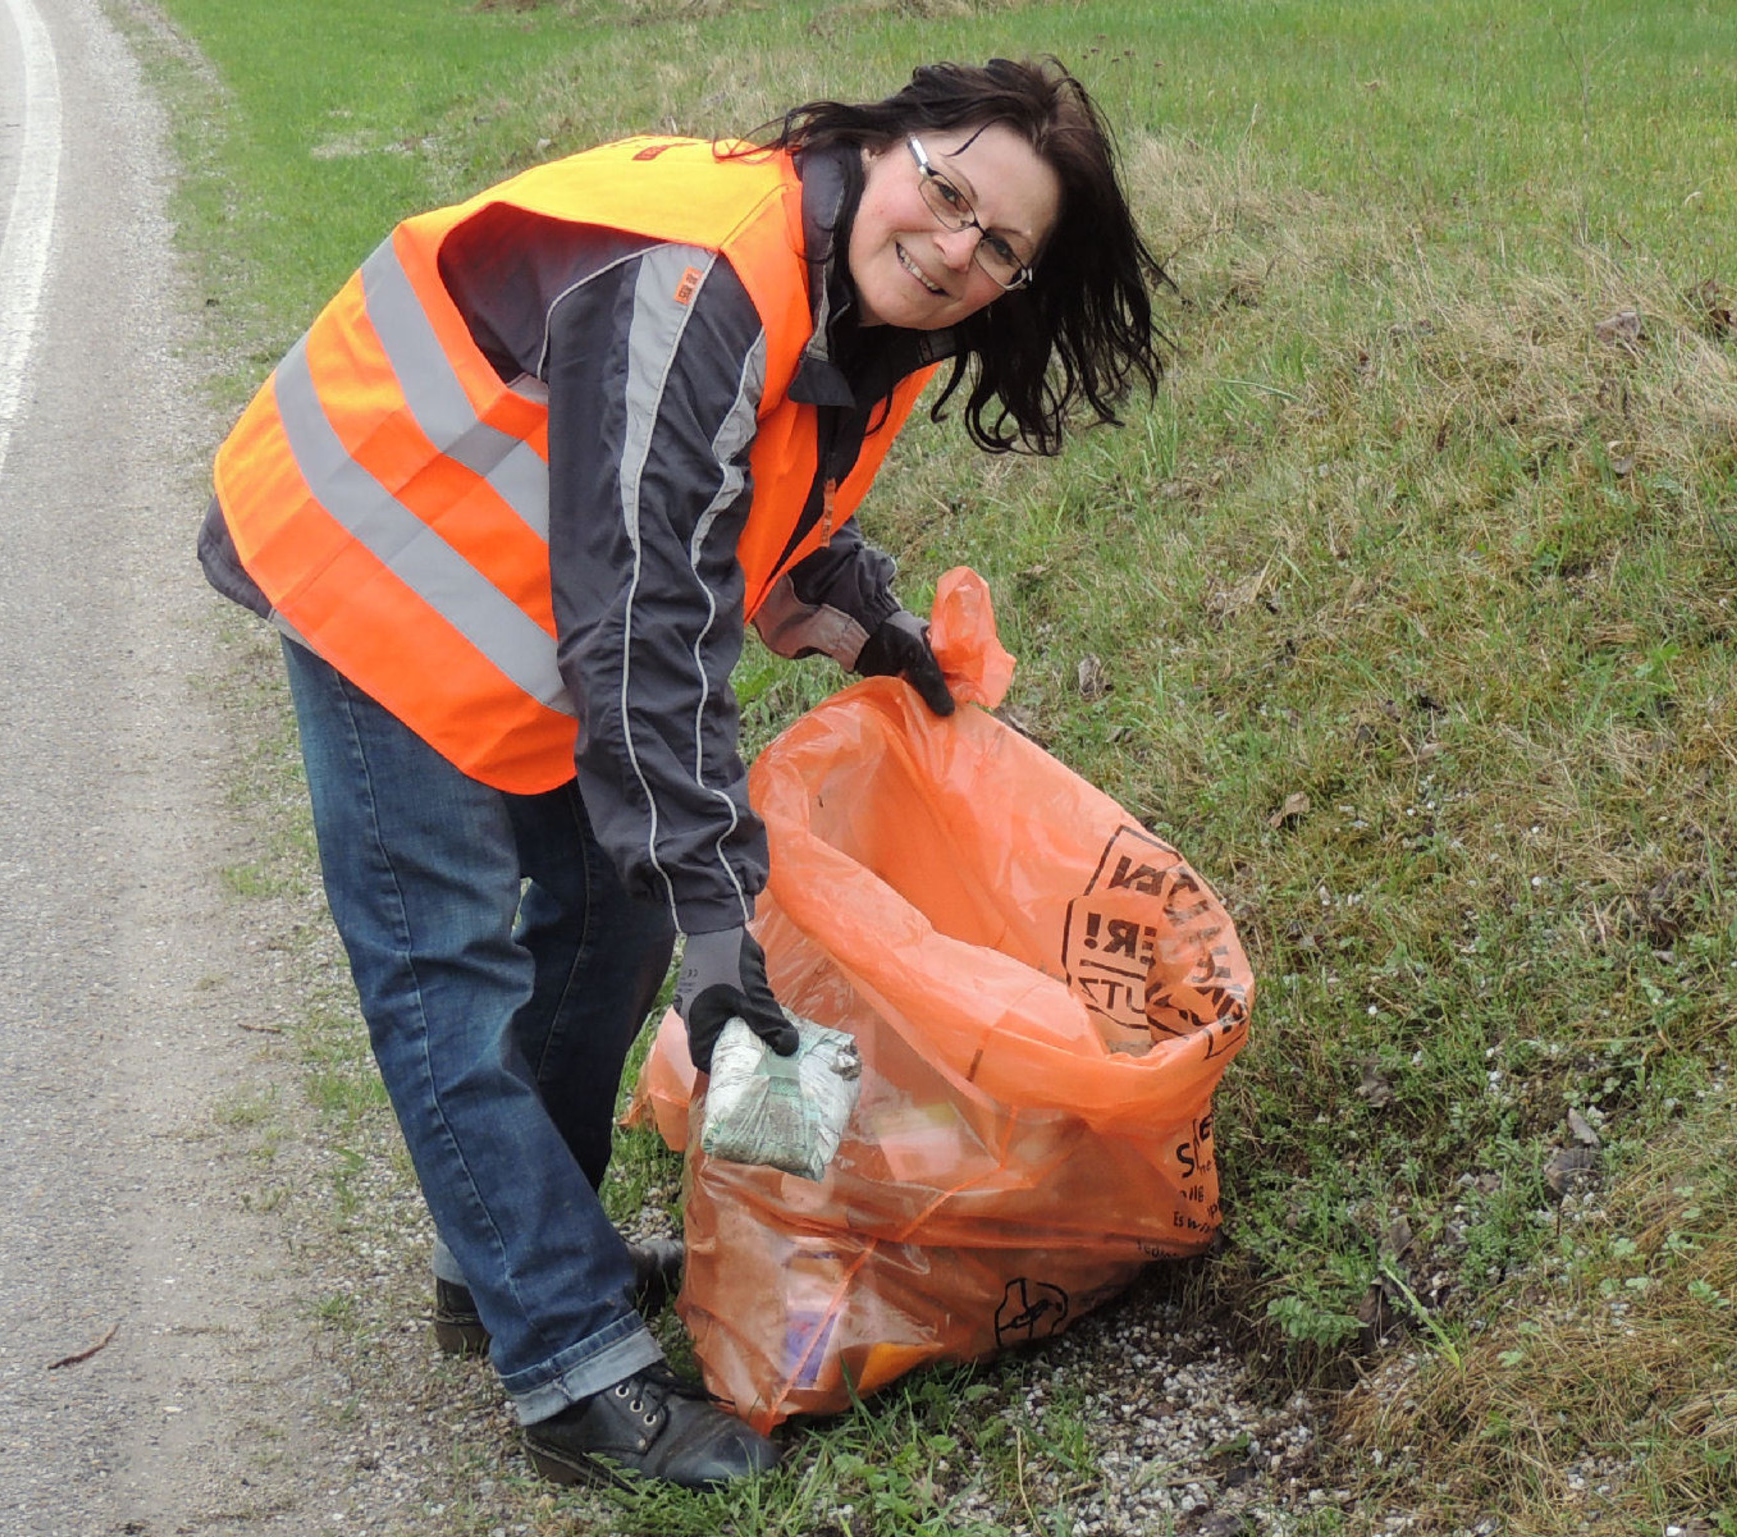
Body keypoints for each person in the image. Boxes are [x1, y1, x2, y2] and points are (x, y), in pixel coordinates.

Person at [197, 55, 1164, 1489]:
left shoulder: (858, 317)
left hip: (516, 608)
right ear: (886, 145)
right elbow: (647, 611)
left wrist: (870, 625)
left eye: (1001, 246)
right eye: (948, 192)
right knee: (447, 975)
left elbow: (748, 502)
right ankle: (574, 1370)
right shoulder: (704, 277)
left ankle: (508, 1257)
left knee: (613, 920)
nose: (957, 247)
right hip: (374, 561)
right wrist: (728, 910)